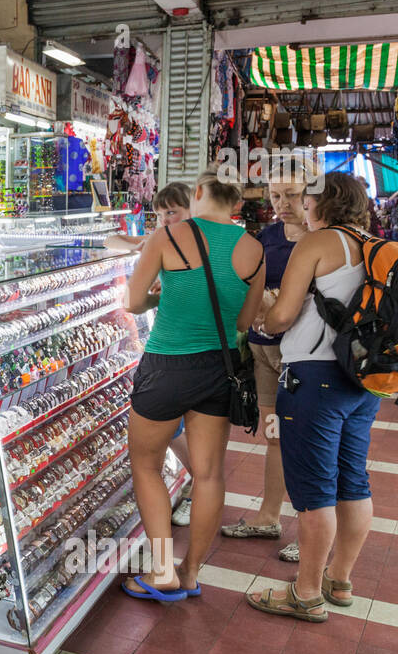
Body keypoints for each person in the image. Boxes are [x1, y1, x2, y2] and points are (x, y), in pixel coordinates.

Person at [122, 170, 266, 601]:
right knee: (208, 475)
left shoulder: (168, 236)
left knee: (146, 465)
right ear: (237, 205)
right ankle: (189, 572)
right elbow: (244, 323)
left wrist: (163, 296)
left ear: (198, 193)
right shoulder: (253, 249)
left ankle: (161, 571)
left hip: (166, 365)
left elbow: (132, 301)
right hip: (219, 370)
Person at [246, 173, 378, 622]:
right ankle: (338, 580)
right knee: (352, 482)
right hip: (362, 382)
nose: (300, 207)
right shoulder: (373, 246)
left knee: (314, 493)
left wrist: (263, 323)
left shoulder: (316, 244)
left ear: (320, 205)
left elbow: (281, 316)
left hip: (314, 380)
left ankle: (305, 593)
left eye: (306, 200)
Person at [221, 163, 309, 560]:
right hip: (262, 353)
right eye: (275, 195)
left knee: (308, 440)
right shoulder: (266, 236)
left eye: (291, 194)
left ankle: (312, 533)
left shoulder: (322, 238)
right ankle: (268, 515)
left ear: (311, 192)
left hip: (302, 357)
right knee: (274, 436)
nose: (282, 204)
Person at [106, 184, 197, 525]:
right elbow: (110, 242)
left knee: (173, 427)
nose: (164, 220)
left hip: (183, 350)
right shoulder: (163, 240)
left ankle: (201, 485)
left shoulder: (195, 249)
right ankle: (197, 484)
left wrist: (157, 293)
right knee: (177, 426)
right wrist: (143, 241)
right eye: (159, 214)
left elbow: (135, 301)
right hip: (171, 348)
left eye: (172, 212)